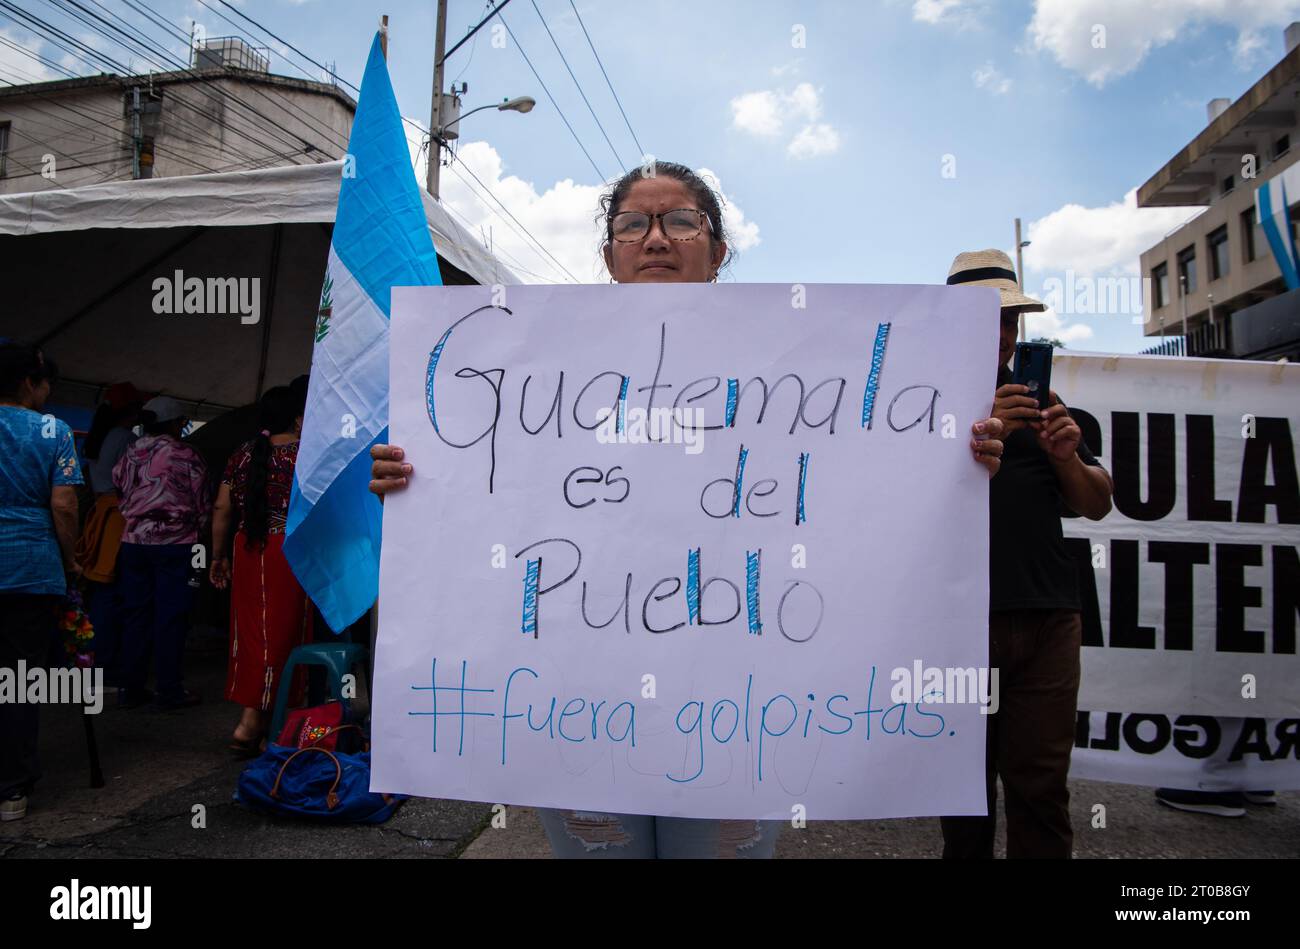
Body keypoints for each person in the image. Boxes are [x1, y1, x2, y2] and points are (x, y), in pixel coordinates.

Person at [368, 162, 1007, 858]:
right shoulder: (536, 366)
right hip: (579, 705)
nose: (655, 239)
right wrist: (417, 480)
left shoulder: (801, 355)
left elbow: (870, 478)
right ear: (609, 252)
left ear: (718, 248)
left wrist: (954, 459)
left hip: (742, 712)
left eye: (680, 221)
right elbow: (486, 493)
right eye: (632, 224)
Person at [939, 249, 1115, 859]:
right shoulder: (919, 403)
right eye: (985, 319)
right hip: (957, 622)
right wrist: (987, 433)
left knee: (1040, 788)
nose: (1001, 336)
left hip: (1046, 619)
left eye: (1009, 322)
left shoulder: (1044, 403)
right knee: (963, 796)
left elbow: (1096, 504)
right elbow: (897, 505)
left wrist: (1066, 455)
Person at [0, 340, 82, 822]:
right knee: (17, 679)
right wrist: (70, 560)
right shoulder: (52, 429)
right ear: (29, 383)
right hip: (30, 567)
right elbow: (64, 503)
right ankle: (11, 788)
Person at [210, 386, 313, 756]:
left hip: (248, 548)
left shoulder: (242, 453)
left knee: (253, 636)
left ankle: (255, 722)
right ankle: (260, 723)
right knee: (286, 636)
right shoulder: (304, 454)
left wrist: (218, 556)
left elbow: (222, 507)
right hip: (290, 550)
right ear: (297, 418)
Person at [112, 395, 210, 711]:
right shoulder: (185, 454)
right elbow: (202, 500)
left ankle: (131, 687)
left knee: (135, 614)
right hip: (177, 544)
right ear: (172, 423)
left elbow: (118, 485)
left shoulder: (129, 452)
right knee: (171, 616)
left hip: (133, 543)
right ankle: (169, 690)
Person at [76, 381, 147, 681]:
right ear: (132, 410)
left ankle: (92, 659)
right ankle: (106, 665)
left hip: (100, 514)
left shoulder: (99, 437)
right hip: (118, 516)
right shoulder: (125, 438)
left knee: (100, 591)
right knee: (113, 593)